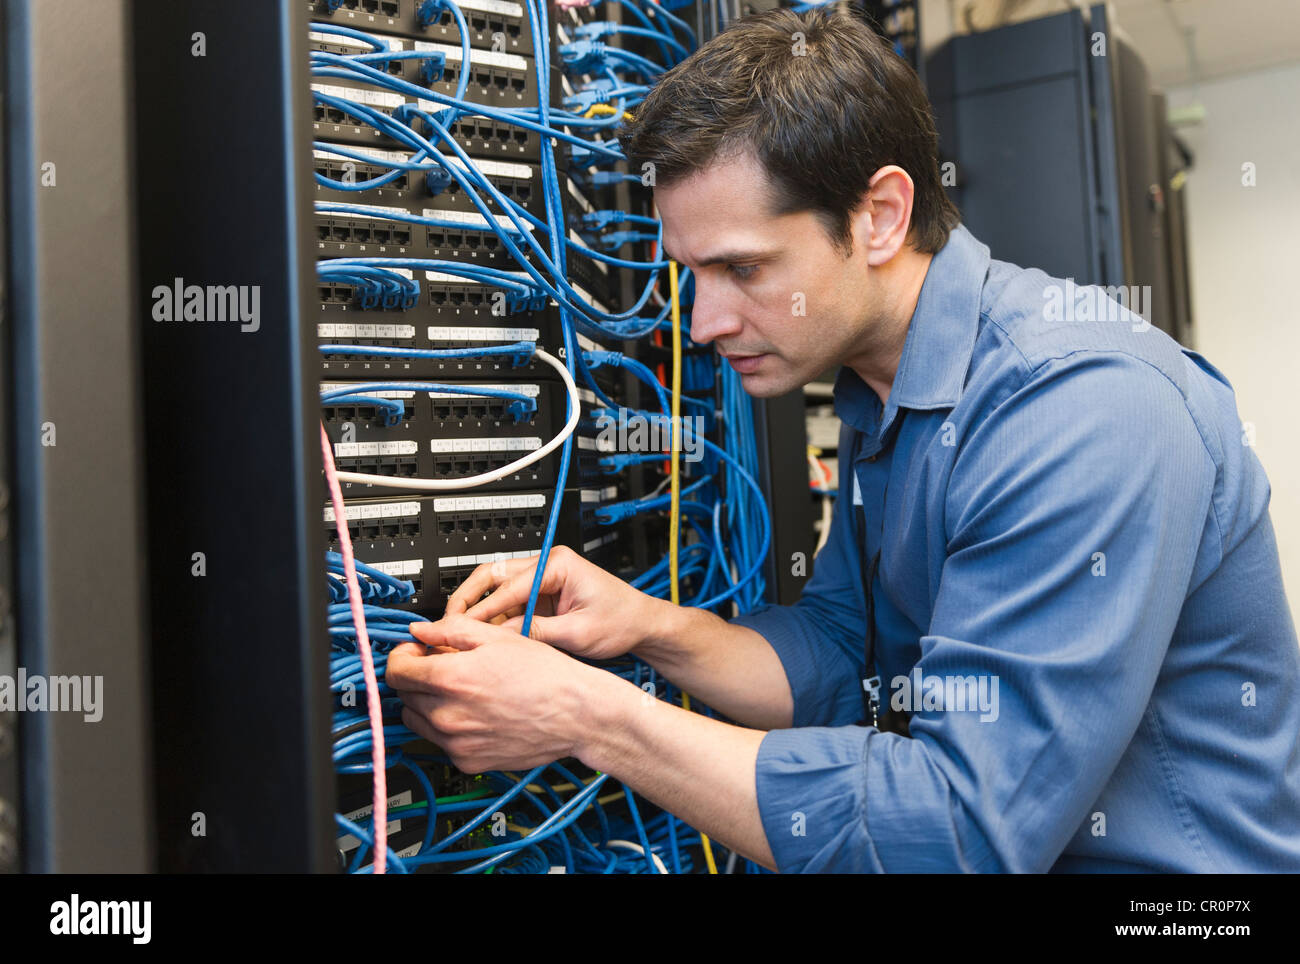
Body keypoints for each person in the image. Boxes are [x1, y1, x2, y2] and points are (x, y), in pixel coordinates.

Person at [385, 8, 1300, 872]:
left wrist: (591, 719)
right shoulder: (886, 392)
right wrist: (647, 626)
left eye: (742, 269)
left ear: (880, 217)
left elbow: (958, 832)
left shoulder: (1082, 409)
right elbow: (839, 653)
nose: (703, 322)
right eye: (692, 274)